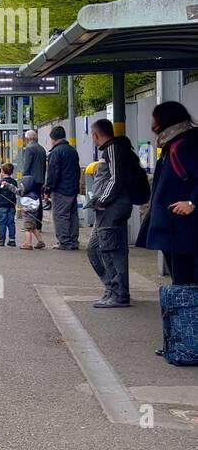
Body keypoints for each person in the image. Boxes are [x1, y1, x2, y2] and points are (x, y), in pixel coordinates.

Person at [144, 101, 198, 285]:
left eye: (155, 119)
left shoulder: (184, 145)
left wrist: (192, 203)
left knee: (186, 281)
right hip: (173, 227)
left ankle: (187, 314)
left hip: (184, 229)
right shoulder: (172, 145)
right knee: (182, 280)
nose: (153, 125)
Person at [86, 118, 135, 308]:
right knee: (95, 249)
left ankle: (119, 293)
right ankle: (111, 288)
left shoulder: (113, 149)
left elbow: (116, 179)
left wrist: (101, 200)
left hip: (112, 209)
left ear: (96, 134)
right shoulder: (113, 149)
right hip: (107, 210)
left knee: (111, 251)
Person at [45, 125, 82, 250]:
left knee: (60, 215)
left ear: (53, 138)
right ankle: (73, 241)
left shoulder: (56, 152)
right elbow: (77, 170)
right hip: (72, 188)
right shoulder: (72, 150)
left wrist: (48, 189)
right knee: (73, 215)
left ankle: (64, 242)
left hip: (61, 189)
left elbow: (53, 173)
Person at [18, 129, 47, 249]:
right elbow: (44, 165)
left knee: (29, 201)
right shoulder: (41, 148)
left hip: (31, 179)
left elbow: (27, 165)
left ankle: (29, 224)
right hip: (40, 178)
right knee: (38, 202)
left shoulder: (29, 148)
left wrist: (23, 178)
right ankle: (38, 225)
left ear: (27, 138)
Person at [0, 162, 20, 247]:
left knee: (2, 223)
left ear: (3, 171)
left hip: (1, 206)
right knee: (11, 222)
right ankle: (12, 240)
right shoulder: (14, 182)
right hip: (11, 205)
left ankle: (1, 240)